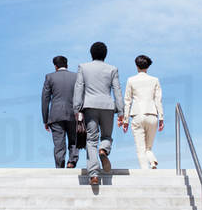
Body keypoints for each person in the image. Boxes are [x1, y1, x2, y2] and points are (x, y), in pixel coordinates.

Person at [73, 41, 122, 189]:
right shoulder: (112, 69)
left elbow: (79, 88)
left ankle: (94, 174)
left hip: (90, 107)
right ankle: (104, 150)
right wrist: (121, 111)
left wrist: (77, 109)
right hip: (107, 106)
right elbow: (117, 90)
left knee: (91, 140)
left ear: (91, 54)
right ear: (105, 55)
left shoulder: (83, 67)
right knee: (106, 136)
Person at [122, 54, 163, 169]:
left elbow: (127, 101)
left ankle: (145, 171)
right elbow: (158, 100)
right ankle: (152, 161)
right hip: (152, 115)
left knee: (140, 148)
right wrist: (161, 118)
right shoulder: (155, 80)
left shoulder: (131, 80)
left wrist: (125, 120)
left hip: (137, 115)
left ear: (136, 65)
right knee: (148, 147)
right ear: (148, 66)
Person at [41, 55, 79, 169]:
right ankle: (72, 161)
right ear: (67, 65)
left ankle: (60, 166)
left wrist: (45, 119)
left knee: (59, 143)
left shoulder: (49, 77)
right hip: (74, 114)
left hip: (56, 115)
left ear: (55, 66)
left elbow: (45, 99)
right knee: (74, 140)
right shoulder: (76, 77)